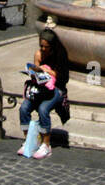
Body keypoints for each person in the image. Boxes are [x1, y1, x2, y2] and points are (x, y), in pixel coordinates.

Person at [18, 28, 70, 160]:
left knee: (43, 108)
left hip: (56, 88)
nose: (43, 49)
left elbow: (63, 78)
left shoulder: (60, 55)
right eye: (41, 46)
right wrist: (35, 70)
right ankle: (29, 141)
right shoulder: (39, 54)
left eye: (46, 47)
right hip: (40, 88)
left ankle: (46, 145)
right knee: (24, 108)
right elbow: (36, 72)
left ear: (52, 46)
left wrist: (48, 71)